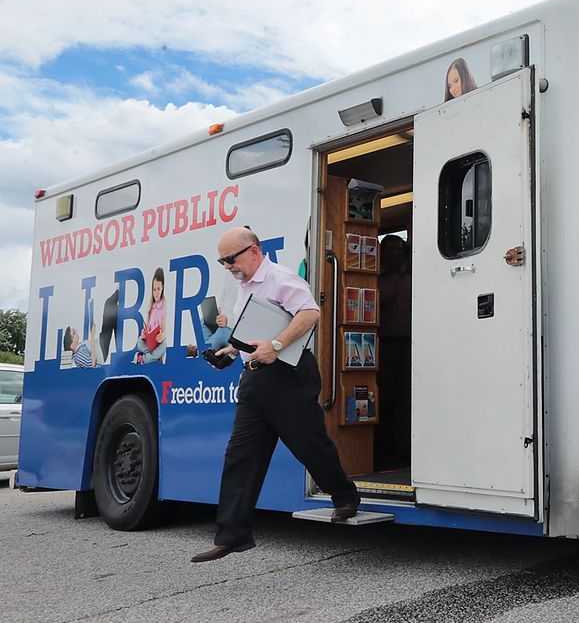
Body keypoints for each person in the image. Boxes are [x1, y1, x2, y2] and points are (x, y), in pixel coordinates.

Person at [191, 227, 360, 563]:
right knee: (241, 455)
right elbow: (255, 336)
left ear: (253, 251)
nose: (227, 266)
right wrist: (229, 352)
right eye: (222, 262)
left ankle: (344, 496)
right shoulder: (244, 287)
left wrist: (277, 345)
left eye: (230, 259)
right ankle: (232, 535)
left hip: (288, 375)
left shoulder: (279, 278)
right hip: (255, 380)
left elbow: (310, 313)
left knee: (309, 444)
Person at [376, 235, 412, 467]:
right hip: (383, 345)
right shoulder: (375, 281)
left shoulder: (413, 280)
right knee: (384, 398)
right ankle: (381, 453)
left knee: (406, 399)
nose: (395, 254)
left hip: (409, 345)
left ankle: (403, 452)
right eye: (390, 250)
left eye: (399, 250)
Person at [135, 267, 168, 364]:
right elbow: (146, 327)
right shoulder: (151, 307)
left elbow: (164, 330)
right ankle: (156, 357)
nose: (156, 292)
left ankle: (142, 358)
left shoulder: (163, 306)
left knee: (164, 346)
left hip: (158, 342)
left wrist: (162, 336)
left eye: (158, 289)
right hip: (149, 342)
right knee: (139, 343)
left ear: (162, 289)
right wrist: (143, 334)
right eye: (154, 289)